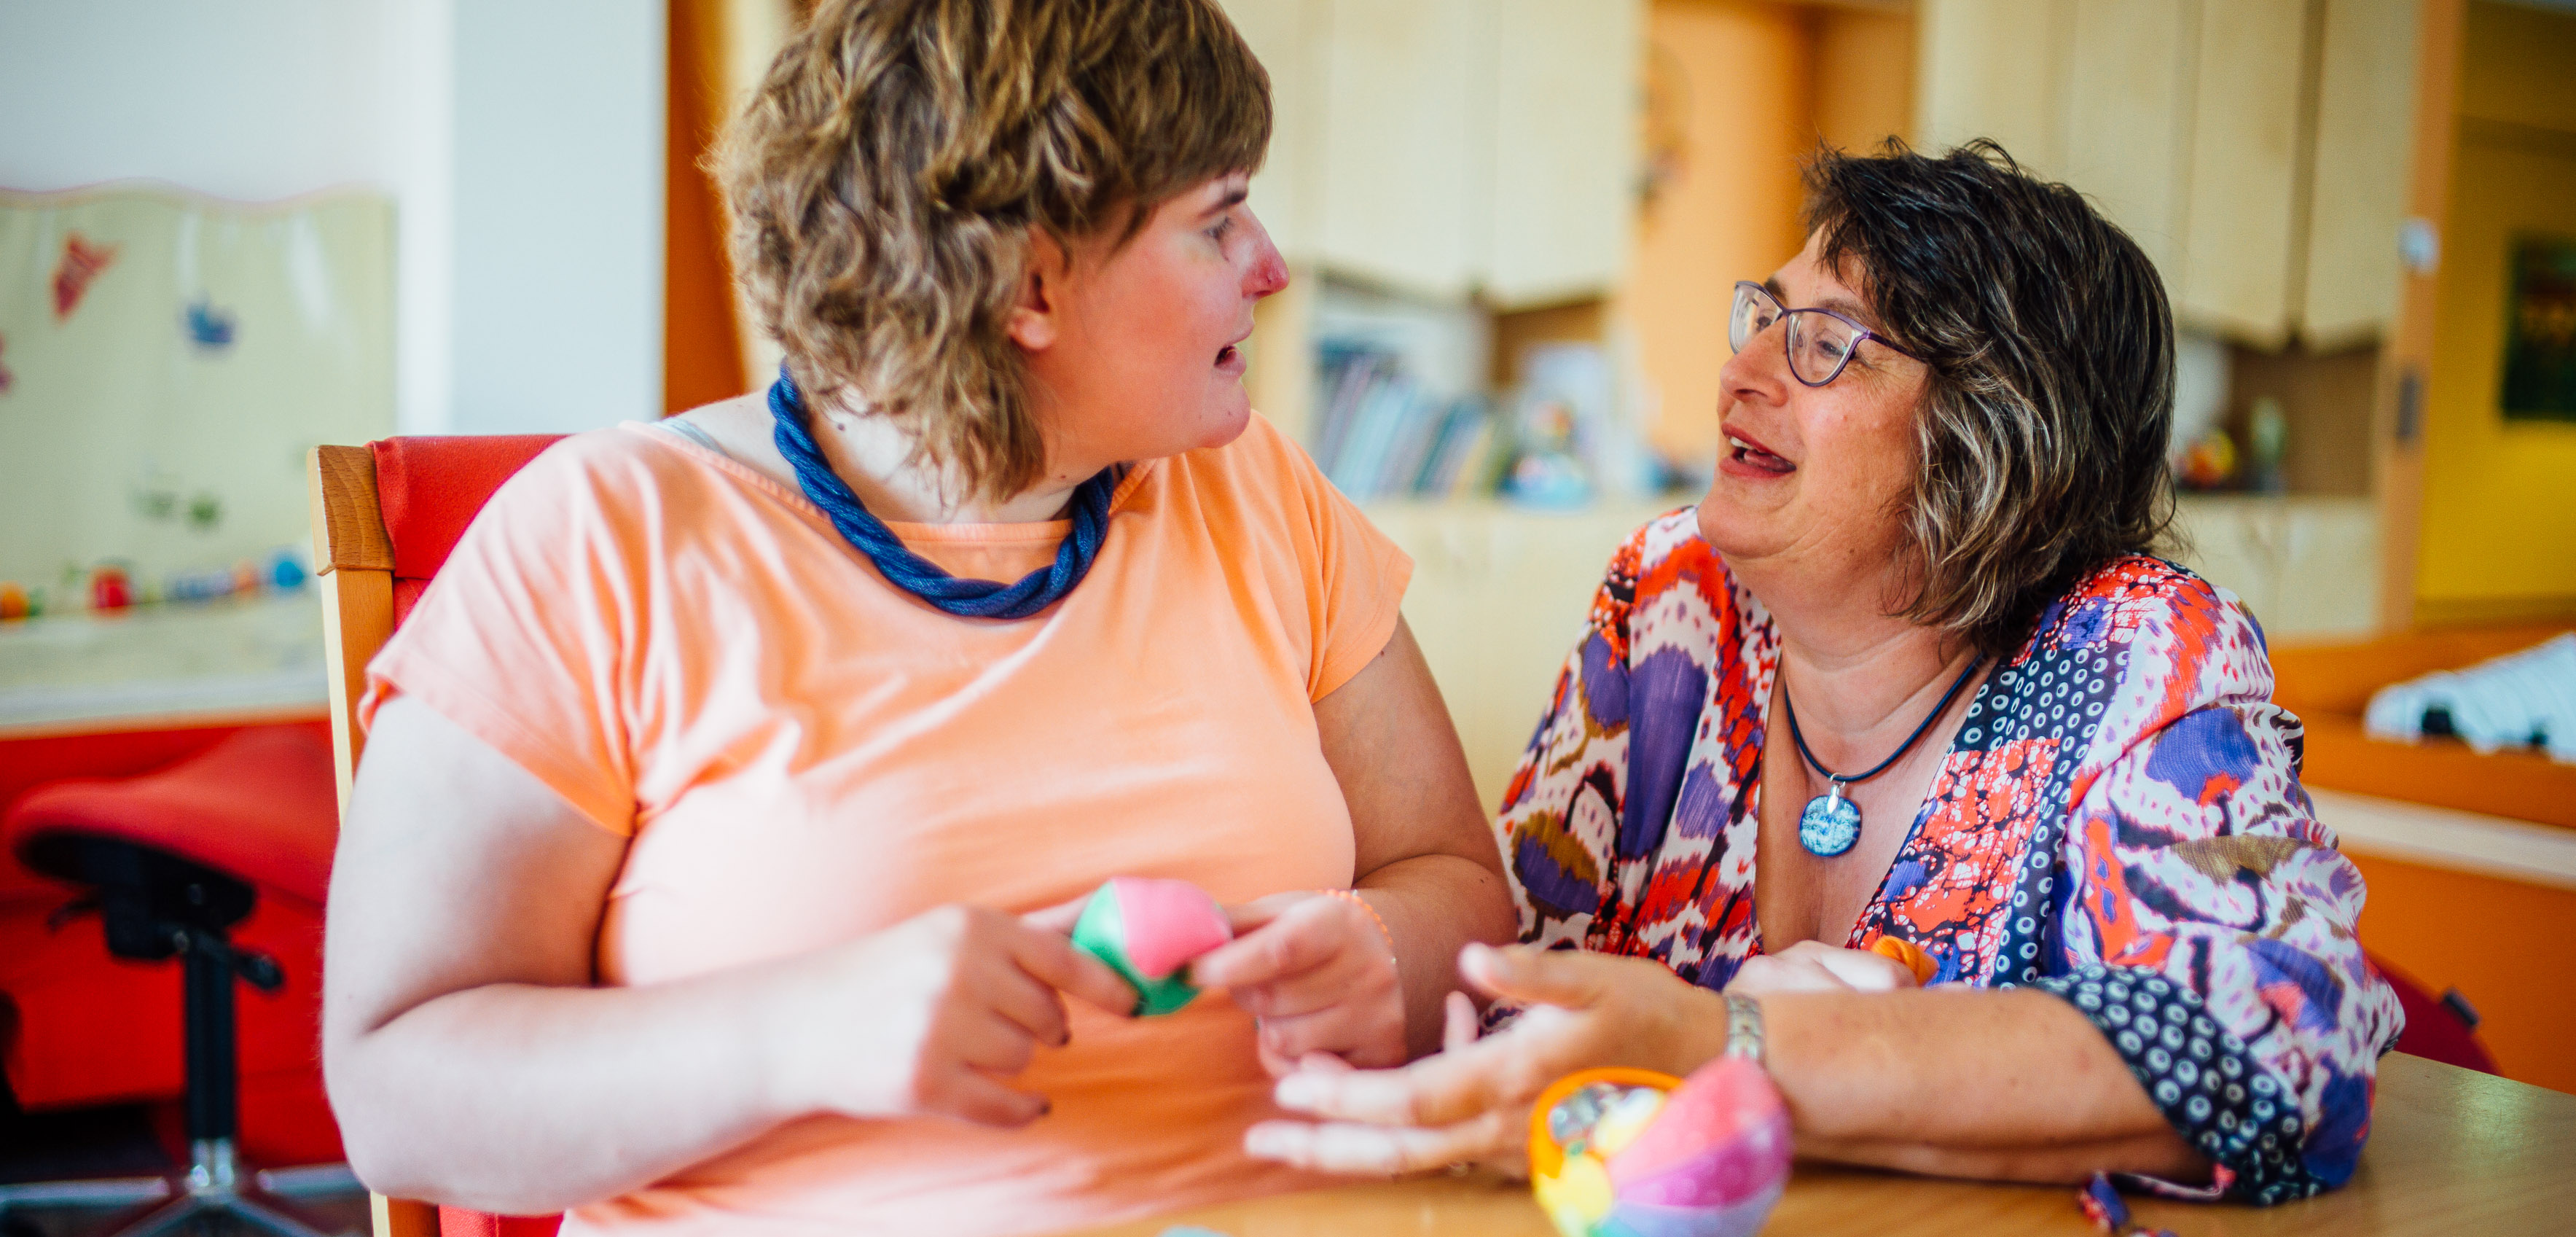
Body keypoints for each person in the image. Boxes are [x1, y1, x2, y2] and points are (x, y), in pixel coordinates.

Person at [318, 1, 1514, 1233]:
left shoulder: (1258, 488)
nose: (1270, 263)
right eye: (1218, 220)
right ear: (1031, 281)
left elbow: (1460, 882)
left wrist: (1383, 951)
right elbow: (398, 1095)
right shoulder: (605, 538)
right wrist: (800, 1030)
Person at [1243, 141, 2404, 1206]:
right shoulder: (1672, 600)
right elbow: (1513, 984)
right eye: (1763, 315)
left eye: (1825, 341)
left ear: (1990, 435)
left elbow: (2280, 1043)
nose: (1739, 374)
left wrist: (1731, 1048)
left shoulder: (2139, 651)